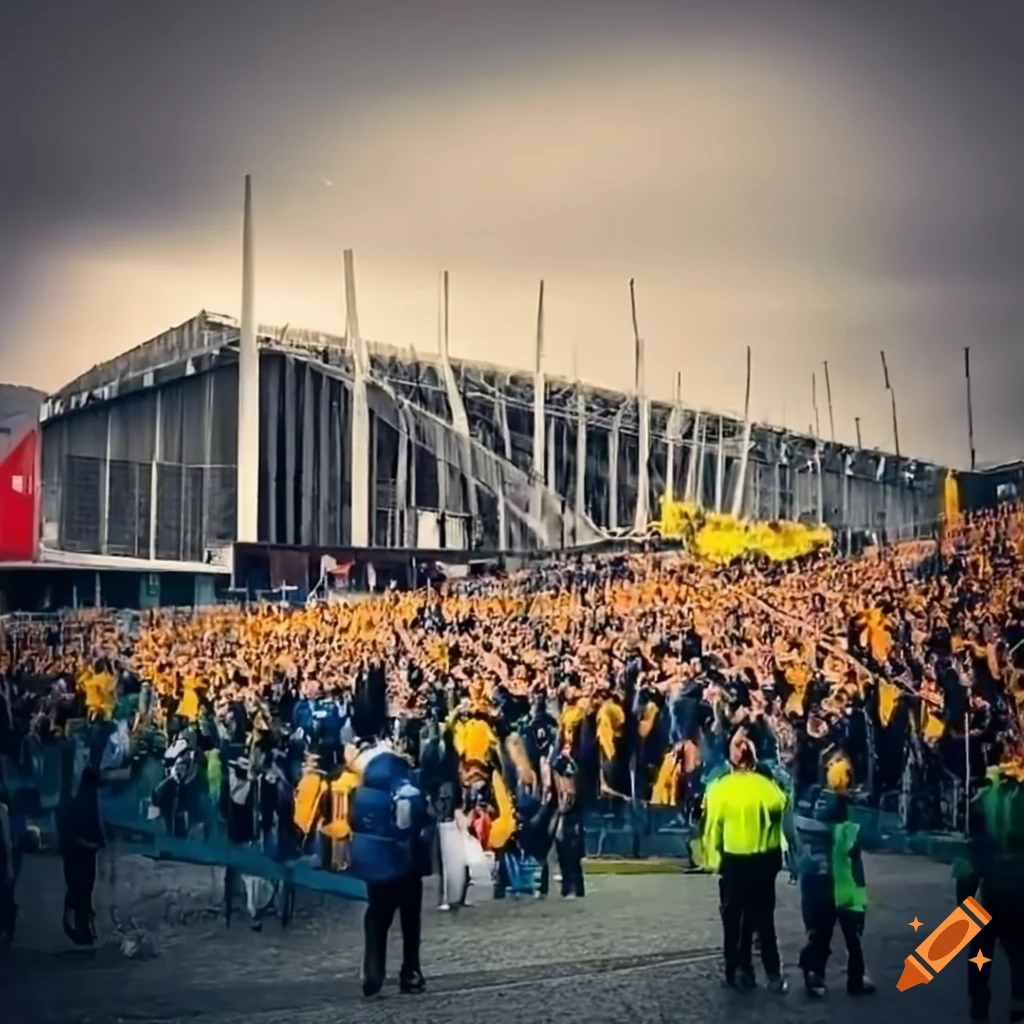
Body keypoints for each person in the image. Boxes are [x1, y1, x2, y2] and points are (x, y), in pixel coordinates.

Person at [343, 664, 432, 999]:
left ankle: (374, 969)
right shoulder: (392, 762)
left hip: (374, 846)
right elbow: (412, 801)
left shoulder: (357, 762)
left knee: (378, 912)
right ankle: (410, 971)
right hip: (402, 847)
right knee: (409, 915)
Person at [703, 724, 790, 993]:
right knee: (763, 920)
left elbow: (712, 827)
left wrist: (714, 860)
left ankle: (738, 970)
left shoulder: (720, 787)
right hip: (763, 860)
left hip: (735, 860)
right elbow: (781, 817)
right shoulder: (769, 787)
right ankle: (772, 973)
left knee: (735, 919)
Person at [793, 753, 875, 998]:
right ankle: (856, 978)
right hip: (844, 878)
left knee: (819, 932)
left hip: (814, 877)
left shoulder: (809, 799)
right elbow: (857, 843)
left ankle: (814, 974)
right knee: (853, 934)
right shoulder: (844, 810)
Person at [958, 758, 1024, 1023]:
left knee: (980, 953)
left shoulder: (980, 807)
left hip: (988, 893)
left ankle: (979, 1007)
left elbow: (969, 860)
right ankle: (1019, 1008)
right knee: (1019, 952)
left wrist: (963, 901)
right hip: (1017, 891)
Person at [57, 761, 105, 947]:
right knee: (80, 890)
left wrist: (98, 842)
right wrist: (91, 843)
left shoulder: (82, 800)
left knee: (82, 890)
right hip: (78, 852)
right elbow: (70, 831)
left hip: (81, 852)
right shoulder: (78, 802)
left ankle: (82, 928)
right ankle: (80, 927)